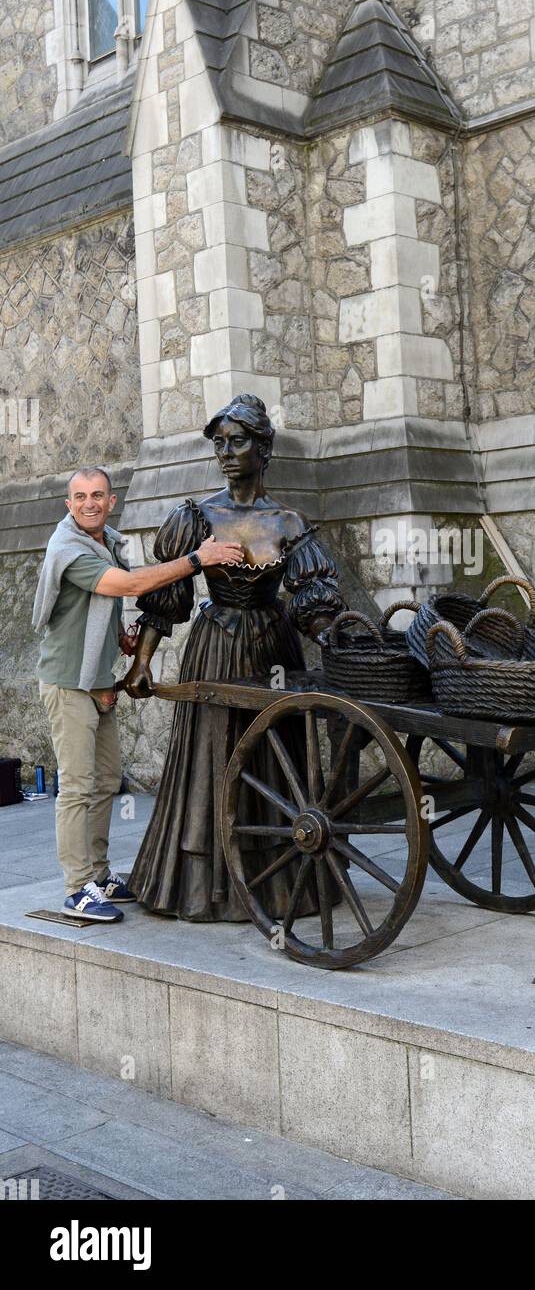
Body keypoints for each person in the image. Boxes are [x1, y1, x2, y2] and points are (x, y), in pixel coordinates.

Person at [122, 394, 345, 921]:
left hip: (273, 643)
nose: (226, 452)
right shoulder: (196, 516)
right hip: (216, 647)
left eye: (238, 441)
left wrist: (338, 640)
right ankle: (204, 886)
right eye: (219, 442)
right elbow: (167, 600)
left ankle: (280, 880)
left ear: (263, 448)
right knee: (212, 758)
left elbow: (314, 603)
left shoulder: (288, 522)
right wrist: (143, 661)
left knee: (276, 756)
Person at [32, 467, 244, 922]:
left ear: (111, 501)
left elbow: (100, 607)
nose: (89, 503)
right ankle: (76, 889)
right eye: (80, 497)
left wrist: (123, 643)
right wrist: (196, 560)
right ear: (68, 505)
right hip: (69, 683)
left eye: (98, 495)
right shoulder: (69, 547)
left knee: (107, 781)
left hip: (98, 680)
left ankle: (100, 874)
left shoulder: (106, 540)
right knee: (76, 787)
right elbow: (126, 587)